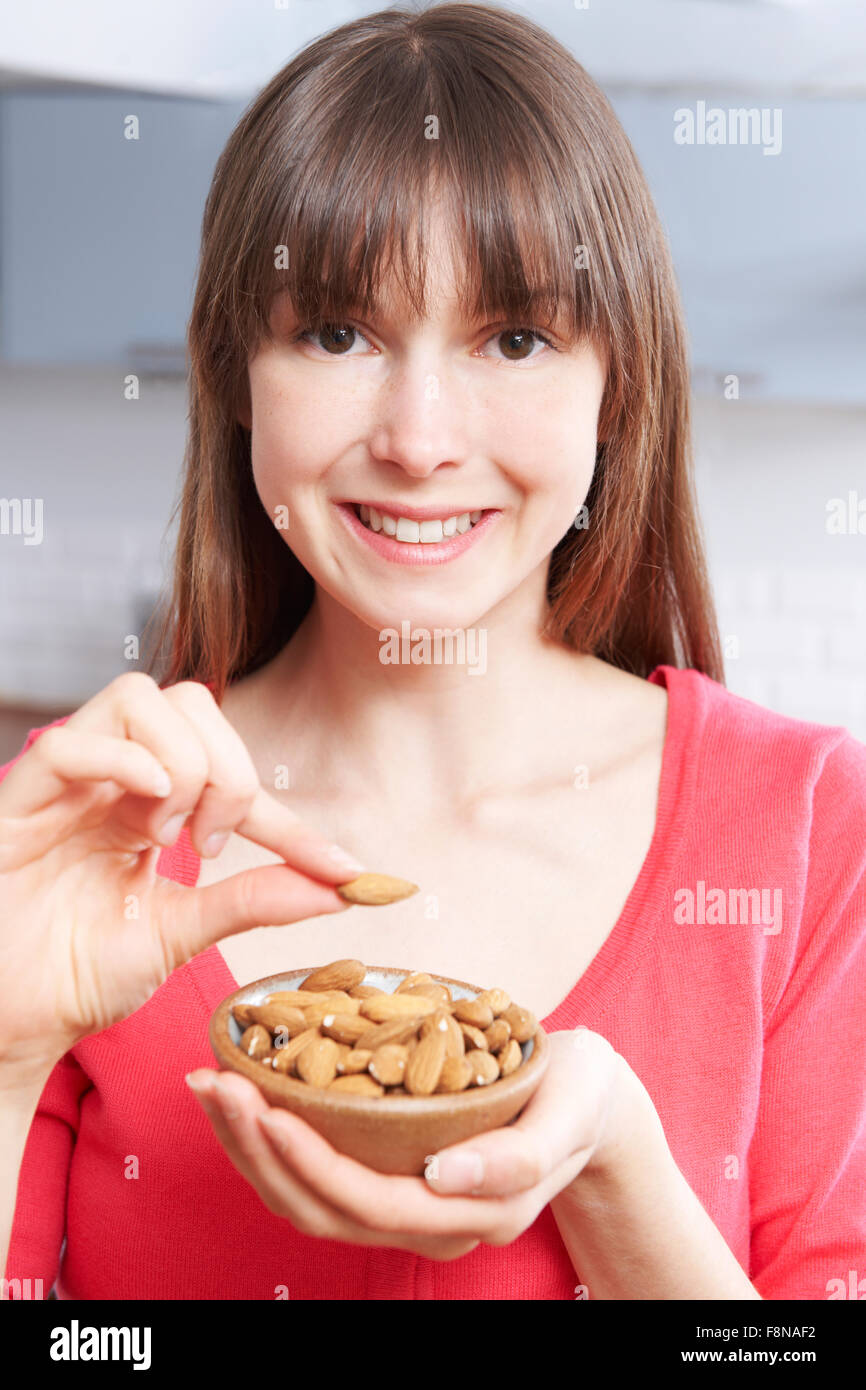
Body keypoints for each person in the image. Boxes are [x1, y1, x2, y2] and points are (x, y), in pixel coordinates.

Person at [2, 2, 864, 1301]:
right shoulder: (83, 823)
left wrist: (617, 1176)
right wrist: (7, 1050)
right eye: (336, 333)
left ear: (612, 385)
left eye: (511, 339)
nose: (417, 437)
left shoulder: (806, 827)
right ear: (237, 372)